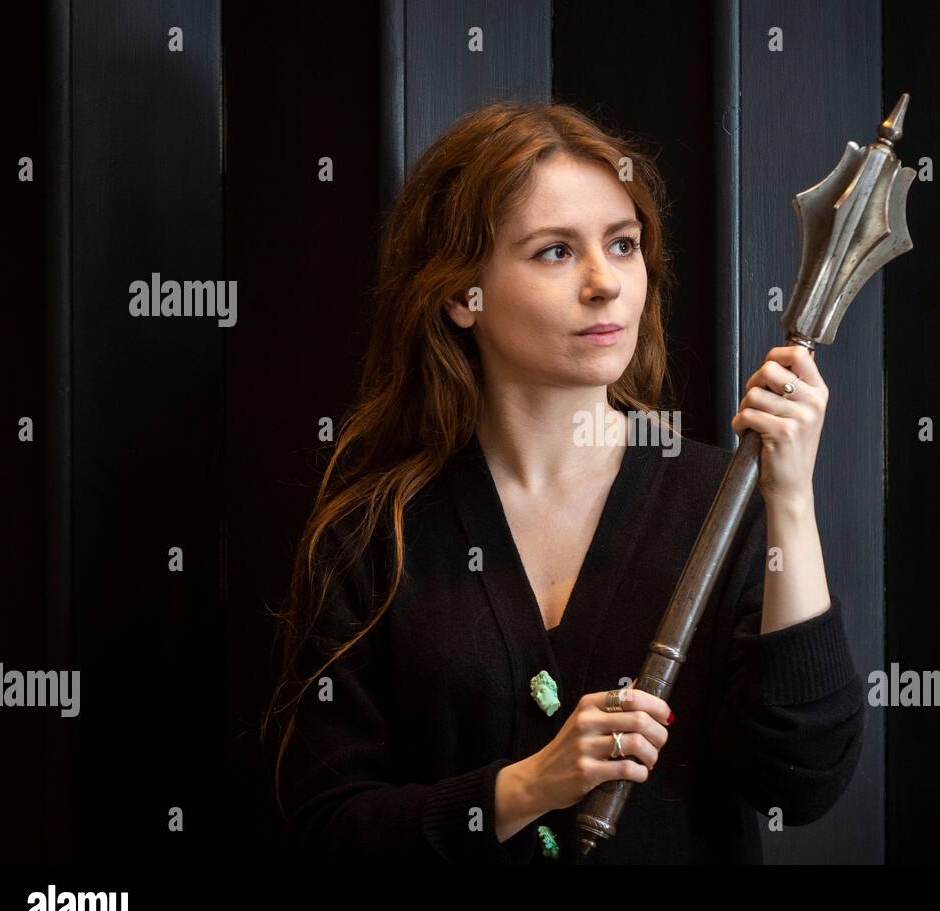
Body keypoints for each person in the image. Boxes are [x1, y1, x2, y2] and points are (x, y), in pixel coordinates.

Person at [261, 99, 865, 864]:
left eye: (623, 245)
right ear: (460, 296)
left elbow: (801, 779)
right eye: (554, 252)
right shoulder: (377, 533)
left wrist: (790, 500)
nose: (604, 283)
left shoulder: (727, 498)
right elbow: (325, 833)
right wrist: (525, 786)